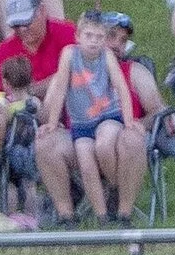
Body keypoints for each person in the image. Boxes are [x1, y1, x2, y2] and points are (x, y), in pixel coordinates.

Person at [39, 12, 146, 226]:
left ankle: (117, 194)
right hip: (81, 124)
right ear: (78, 37)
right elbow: (60, 88)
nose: (94, 41)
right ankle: (102, 216)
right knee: (86, 160)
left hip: (108, 115)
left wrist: (128, 121)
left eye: (99, 37)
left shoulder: (106, 56)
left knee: (105, 143)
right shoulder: (69, 55)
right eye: (88, 36)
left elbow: (122, 89)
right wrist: (51, 122)